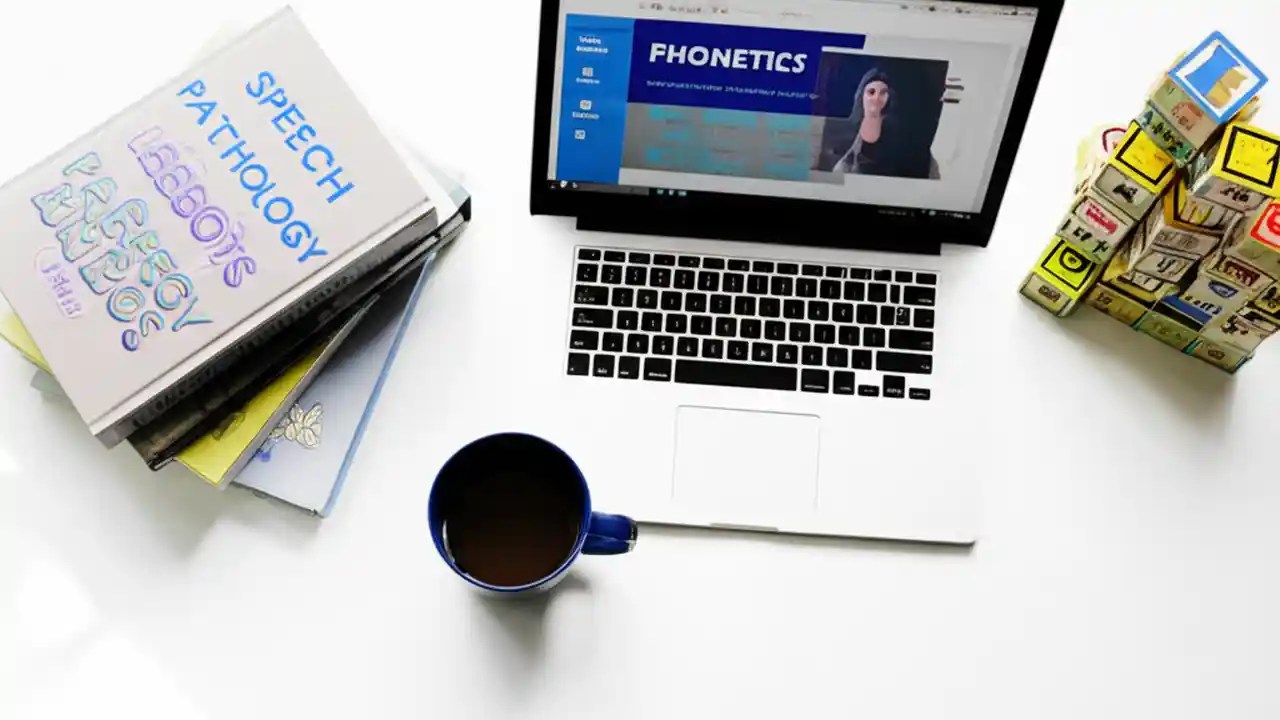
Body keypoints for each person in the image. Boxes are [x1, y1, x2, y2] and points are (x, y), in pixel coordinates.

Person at [830, 68, 939, 179]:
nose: (876, 98)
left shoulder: (920, 158)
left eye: (883, 93)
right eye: (871, 92)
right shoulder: (847, 165)